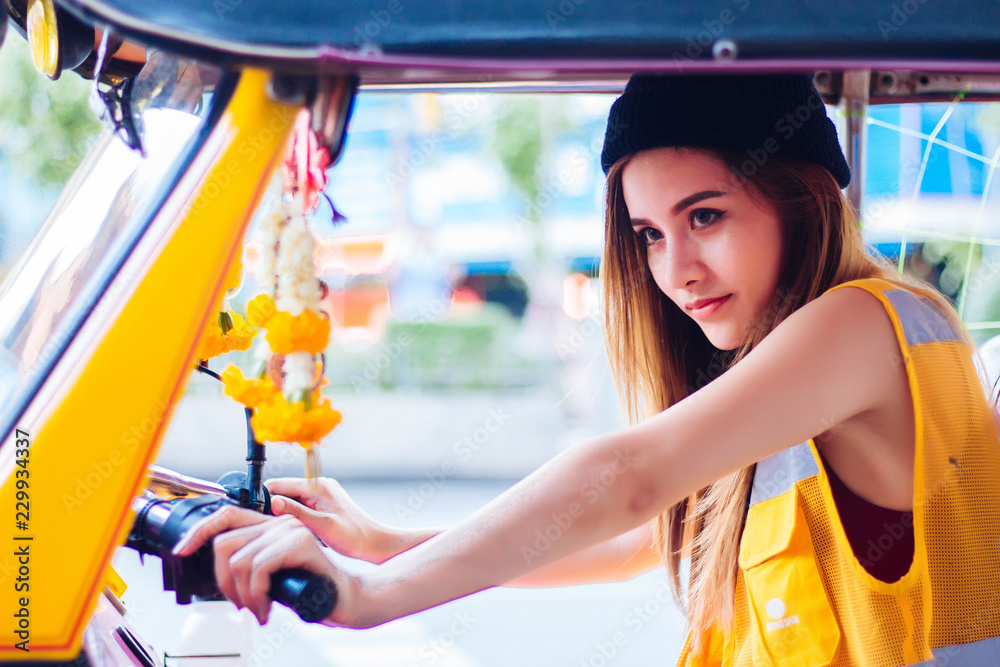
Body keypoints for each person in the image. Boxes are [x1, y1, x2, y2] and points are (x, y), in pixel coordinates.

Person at [173, 74, 1000, 665]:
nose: (676, 270)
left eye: (704, 216)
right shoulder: (788, 381)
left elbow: (631, 479)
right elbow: (649, 532)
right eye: (649, 235)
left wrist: (369, 599)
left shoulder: (875, 323)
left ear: (801, 197)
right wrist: (386, 548)